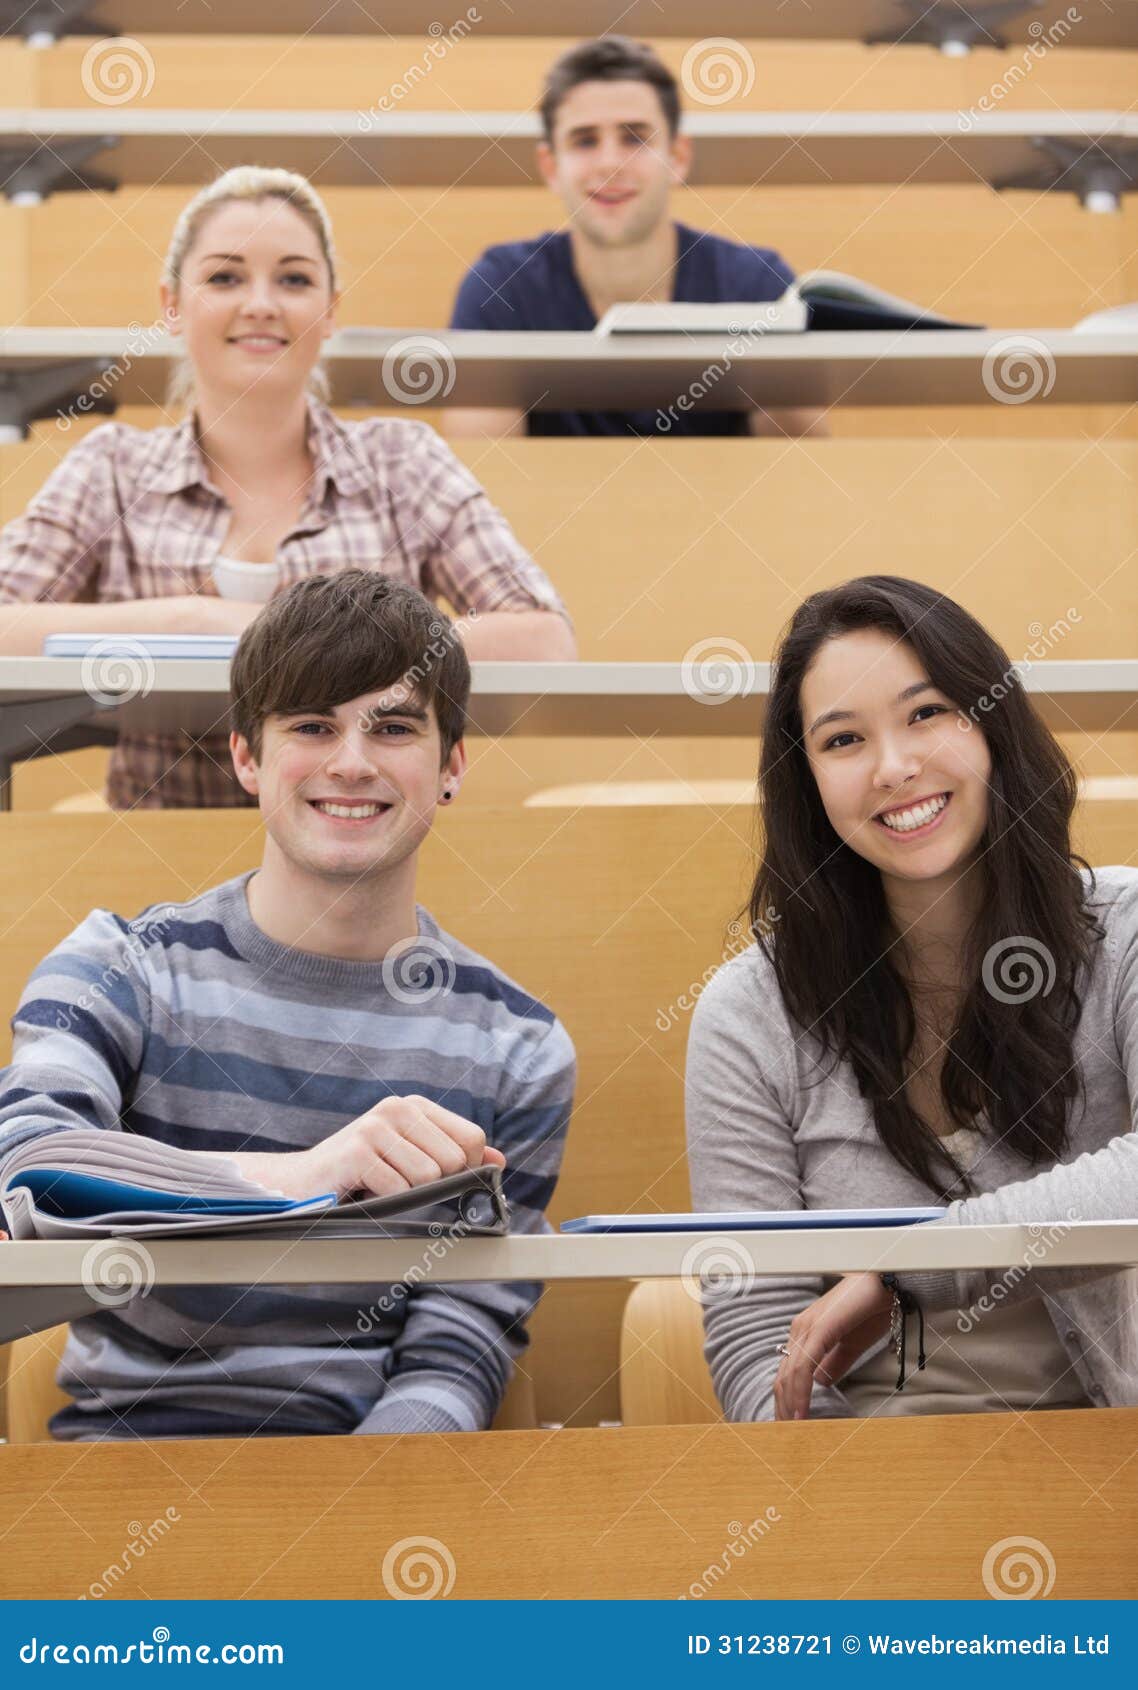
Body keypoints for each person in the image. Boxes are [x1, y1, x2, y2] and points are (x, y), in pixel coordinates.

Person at [0, 571, 575, 1440]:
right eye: (312, 726)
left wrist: (355, 1510)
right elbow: (31, 1171)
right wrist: (299, 1180)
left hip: (382, 1495)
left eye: (392, 727)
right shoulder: (117, 969)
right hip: (119, 1479)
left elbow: (465, 1332)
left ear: (451, 764)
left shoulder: (521, 1047)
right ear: (245, 756)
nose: (352, 760)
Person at [686, 575, 1137, 1422]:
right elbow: (756, 1338)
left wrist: (905, 1269)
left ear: (992, 722)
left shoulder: (1127, 934)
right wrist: (856, 1514)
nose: (895, 768)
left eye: (927, 713)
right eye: (843, 739)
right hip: (864, 1481)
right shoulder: (746, 1012)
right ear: (808, 780)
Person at [0, 167, 575, 809]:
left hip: (364, 857)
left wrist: (308, 639)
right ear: (171, 305)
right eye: (225, 277)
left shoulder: (400, 461)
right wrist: (191, 621)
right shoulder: (112, 468)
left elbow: (544, 642)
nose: (262, 303)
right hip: (160, 868)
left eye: (294, 279)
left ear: (330, 311)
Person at [447, 35, 826, 440]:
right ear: (550, 166)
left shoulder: (756, 285)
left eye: (635, 138)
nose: (610, 163)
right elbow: (480, 484)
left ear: (678, 157)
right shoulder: (499, 288)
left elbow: (798, 480)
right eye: (585, 140)